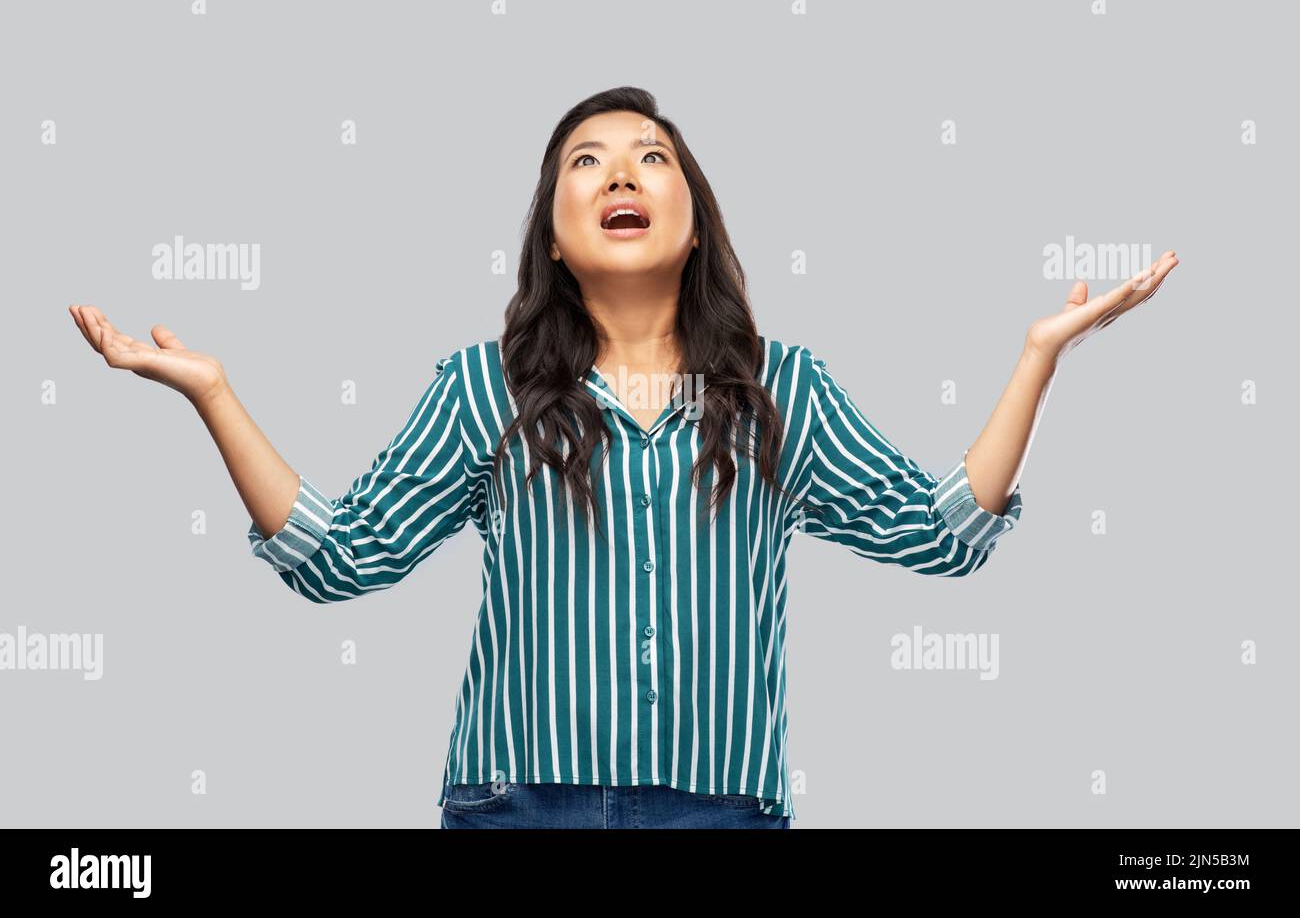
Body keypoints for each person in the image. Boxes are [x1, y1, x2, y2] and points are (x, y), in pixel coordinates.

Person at [67, 86, 1178, 829]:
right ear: (554, 233)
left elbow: (938, 535)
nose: (621, 175)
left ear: (693, 220)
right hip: (515, 803)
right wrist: (213, 393)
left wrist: (1040, 355)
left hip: (721, 807)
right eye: (586, 163)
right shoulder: (482, 387)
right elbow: (340, 556)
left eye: (651, 158)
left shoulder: (778, 389)